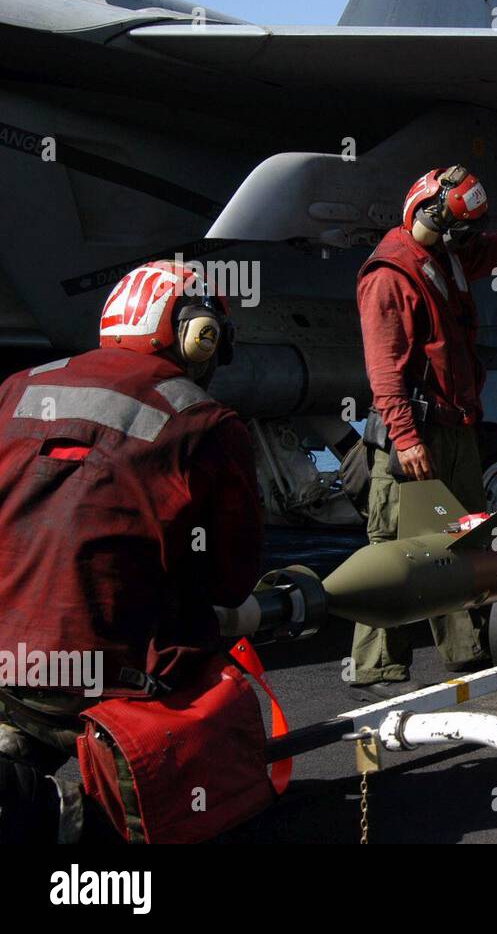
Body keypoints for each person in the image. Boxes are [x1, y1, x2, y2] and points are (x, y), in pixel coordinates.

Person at [0, 261, 261, 841]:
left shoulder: (18, 387)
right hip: (118, 677)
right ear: (199, 335)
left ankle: (17, 756)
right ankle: (79, 816)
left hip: (9, 665)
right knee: (203, 645)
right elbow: (231, 581)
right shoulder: (206, 421)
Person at [353, 165, 497, 695]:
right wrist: (407, 439)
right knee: (394, 545)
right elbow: (385, 369)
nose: (469, 239)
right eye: (460, 227)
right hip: (417, 432)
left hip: (454, 429)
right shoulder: (390, 275)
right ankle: (375, 670)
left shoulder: (447, 255)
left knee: (462, 541)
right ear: (433, 213)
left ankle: (465, 652)